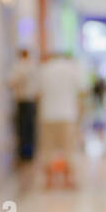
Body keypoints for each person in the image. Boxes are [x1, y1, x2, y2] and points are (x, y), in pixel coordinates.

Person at [39, 52, 83, 188]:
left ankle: (49, 181)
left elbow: (37, 91)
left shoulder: (45, 69)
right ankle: (68, 180)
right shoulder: (71, 68)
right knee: (68, 148)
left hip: (48, 114)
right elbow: (82, 89)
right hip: (67, 114)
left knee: (47, 149)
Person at [8, 48, 40, 161]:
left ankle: (25, 152)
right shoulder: (31, 67)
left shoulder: (19, 67)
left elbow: (10, 83)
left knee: (24, 128)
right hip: (27, 101)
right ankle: (27, 152)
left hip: (24, 101)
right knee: (28, 128)